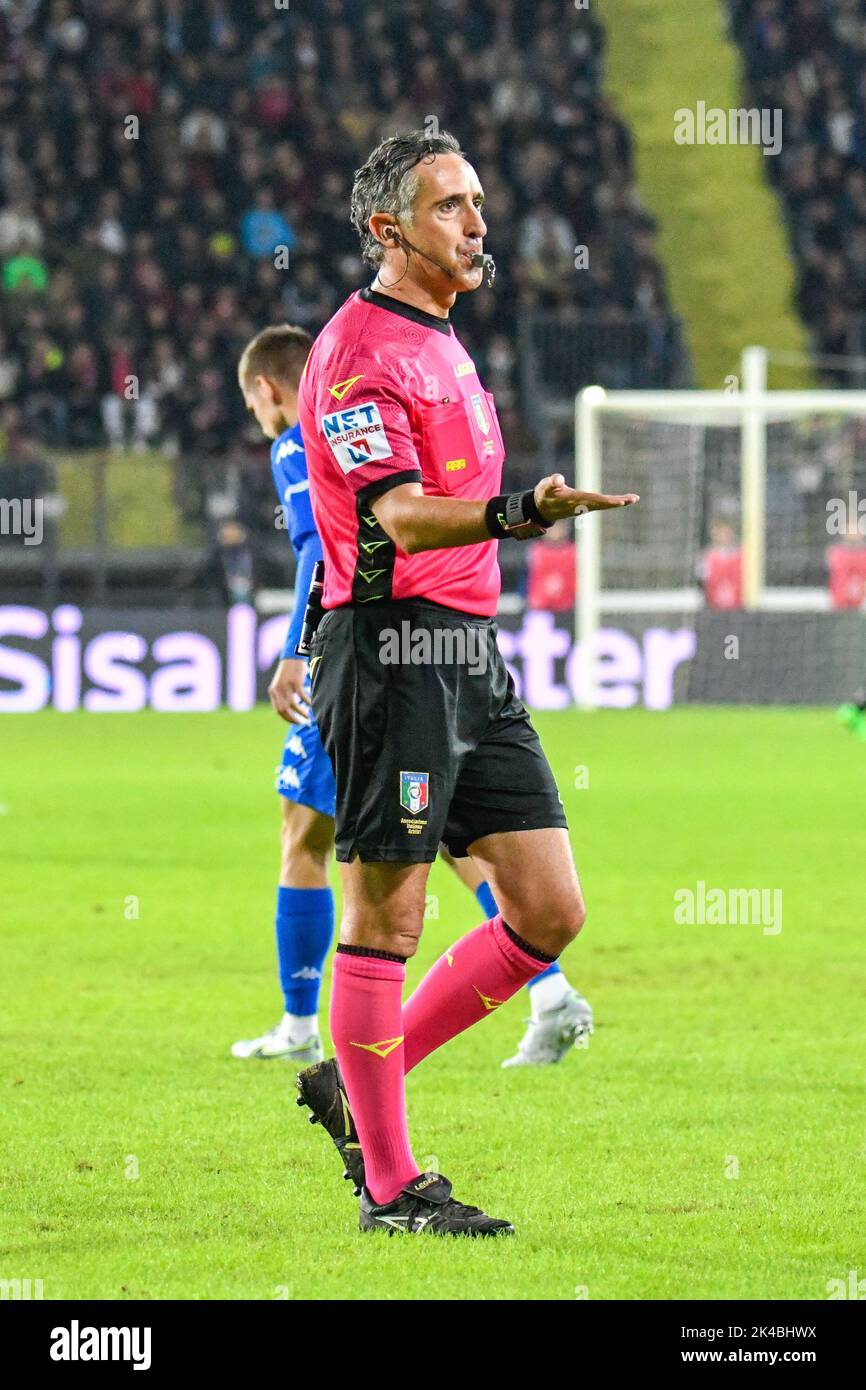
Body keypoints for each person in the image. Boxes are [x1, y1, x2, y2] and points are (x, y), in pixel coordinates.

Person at [295, 130, 638, 1236]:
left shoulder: (442, 339)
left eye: (477, 201)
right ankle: (391, 1191)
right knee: (386, 914)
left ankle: (356, 1084)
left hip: (465, 650)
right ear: (390, 230)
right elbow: (389, 516)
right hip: (392, 651)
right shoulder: (356, 353)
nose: (477, 222)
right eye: (450, 206)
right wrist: (516, 513)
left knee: (547, 907)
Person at [234, 324, 593, 1067]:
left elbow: (314, 551)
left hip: (363, 656)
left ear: (268, 388)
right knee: (436, 829)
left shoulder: (300, 438)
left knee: (307, 833)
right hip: (435, 649)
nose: (260, 418)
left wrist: (298, 653)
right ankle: (550, 991)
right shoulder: (380, 414)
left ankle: (304, 1027)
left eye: (254, 403)